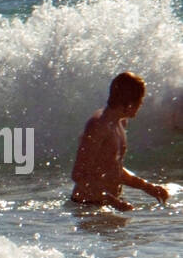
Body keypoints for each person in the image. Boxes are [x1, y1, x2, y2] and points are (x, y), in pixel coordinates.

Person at [71, 71, 169, 211]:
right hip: (85, 208)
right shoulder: (98, 126)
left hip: (105, 206)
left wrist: (148, 187)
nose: (141, 105)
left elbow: (113, 168)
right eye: (140, 101)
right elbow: (78, 174)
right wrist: (112, 201)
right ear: (129, 104)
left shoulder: (120, 123)